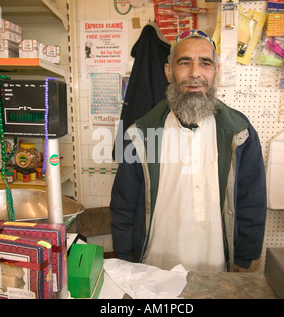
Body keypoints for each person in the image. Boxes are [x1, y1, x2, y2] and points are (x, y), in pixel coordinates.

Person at [110, 29, 267, 272]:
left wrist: (244, 260)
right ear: (168, 72)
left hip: (217, 269)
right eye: (185, 63)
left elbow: (251, 202)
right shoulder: (140, 134)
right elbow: (124, 203)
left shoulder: (240, 133)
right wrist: (124, 256)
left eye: (205, 63)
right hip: (154, 268)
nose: (195, 73)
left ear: (216, 72)